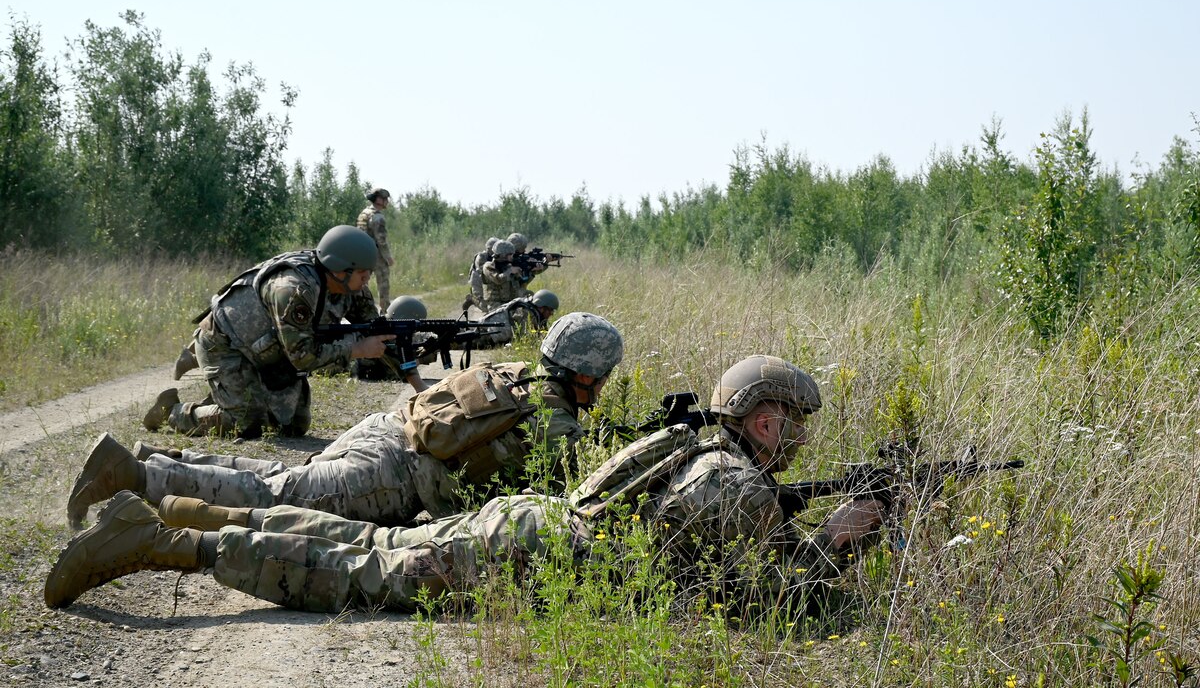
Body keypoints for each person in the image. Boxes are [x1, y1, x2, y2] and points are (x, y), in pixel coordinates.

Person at [47, 355, 885, 617]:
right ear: (758, 418)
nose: (799, 436)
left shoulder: (698, 447)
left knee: (372, 545)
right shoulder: (732, 482)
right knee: (357, 575)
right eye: (790, 419)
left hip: (531, 529)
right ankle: (162, 542)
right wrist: (843, 540)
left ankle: (197, 508)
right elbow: (781, 603)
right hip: (530, 554)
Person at [63, 312, 624, 532]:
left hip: (382, 430)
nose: (603, 387)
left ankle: (153, 463)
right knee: (271, 494)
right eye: (603, 376)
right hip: (389, 475)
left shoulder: (519, 372)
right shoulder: (558, 429)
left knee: (277, 477)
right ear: (586, 374)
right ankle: (135, 477)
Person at [140, 225, 392, 442]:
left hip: (268, 347)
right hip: (225, 343)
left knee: (294, 425)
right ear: (340, 269)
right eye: (363, 273)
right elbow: (303, 357)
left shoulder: (352, 287)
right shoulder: (292, 290)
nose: (367, 279)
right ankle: (171, 412)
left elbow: (379, 331)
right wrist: (358, 349)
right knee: (246, 424)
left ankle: (229, 395)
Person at [350, 295, 434, 388]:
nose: (415, 331)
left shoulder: (389, 331)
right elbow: (397, 371)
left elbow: (425, 338)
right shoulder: (382, 338)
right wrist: (422, 358)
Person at [471, 289, 559, 349]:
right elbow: (526, 339)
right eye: (550, 310)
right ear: (541, 307)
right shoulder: (525, 312)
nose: (551, 313)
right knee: (462, 343)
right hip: (485, 334)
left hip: (492, 334)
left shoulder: (533, 311)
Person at [356, 187, 395, 311]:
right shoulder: (377, 217)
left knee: (361, 284)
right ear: (378, 200)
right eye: (385, 199)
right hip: (376, 254)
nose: (387, 202)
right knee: (383, 285)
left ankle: (361, 310)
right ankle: (386, 313)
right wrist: (388, 257)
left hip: (362, 254)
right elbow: (381, 240)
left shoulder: (364, 213)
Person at [480, 240, 524, 311]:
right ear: (503, 255)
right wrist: (510, 271)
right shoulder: (488, 266)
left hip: (510, 302)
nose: (512, 257)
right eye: (510, 254)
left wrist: (531, 270)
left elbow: (522, 282)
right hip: (495, 305)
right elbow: (498, 279)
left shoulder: (508, 266)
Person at [464, 237, 499, 311]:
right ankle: (472, 299)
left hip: (486, 281)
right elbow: (482, 271)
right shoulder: (482, 257)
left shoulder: (496, 257)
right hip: (478, 281)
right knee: (485, 307)